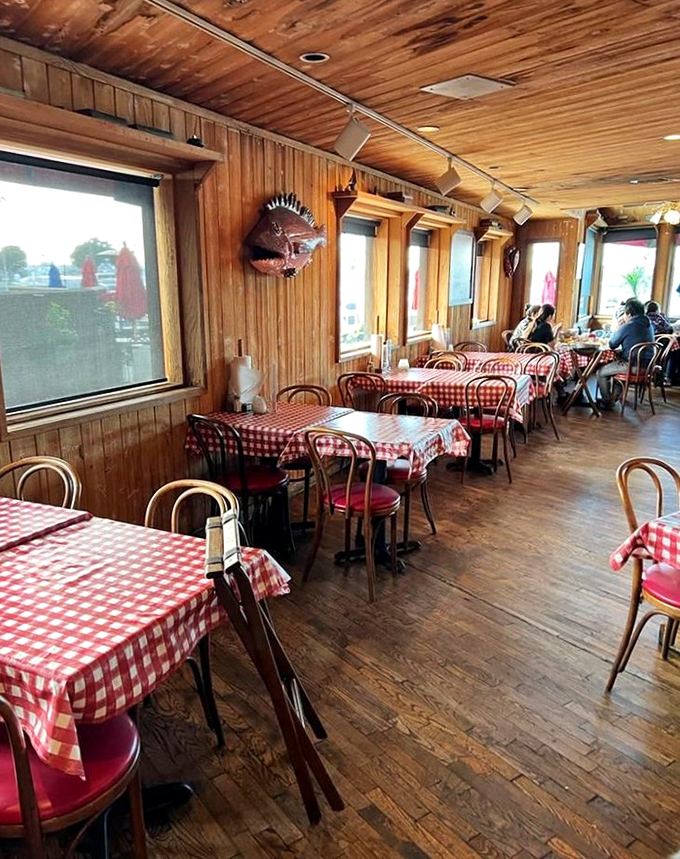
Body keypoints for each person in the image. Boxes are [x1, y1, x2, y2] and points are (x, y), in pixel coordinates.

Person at [596, 298, 654, 409]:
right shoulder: (649, 324)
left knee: (600, 372)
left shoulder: (629, 326)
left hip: (633, 366)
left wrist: (619, 328)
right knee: (617, 370)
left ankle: (606, 401)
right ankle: (612, 400)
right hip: (648, 366)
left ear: (629, 313)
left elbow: (612, 344)